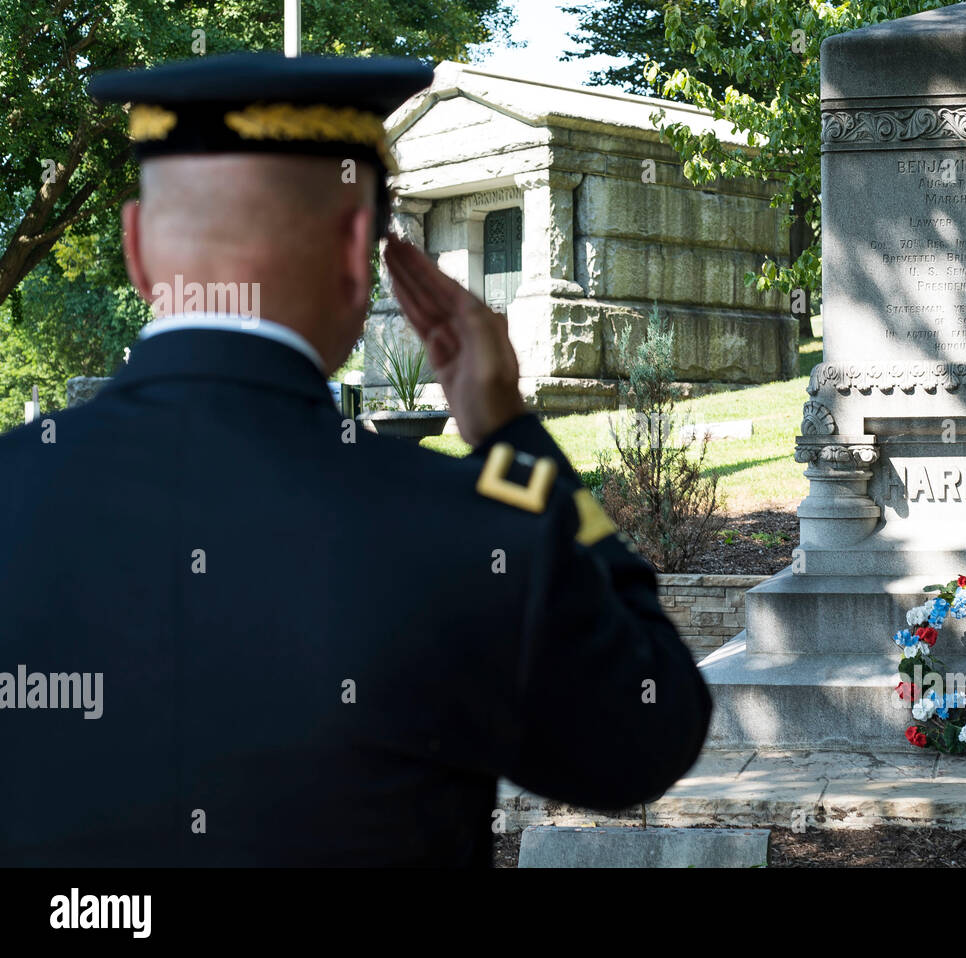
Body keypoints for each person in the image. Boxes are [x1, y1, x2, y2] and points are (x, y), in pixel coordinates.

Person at [0, 53, 711, 866]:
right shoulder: (469, 530)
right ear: (357, 251)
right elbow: (647, 736)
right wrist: (515, 437)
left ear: (135, 248)